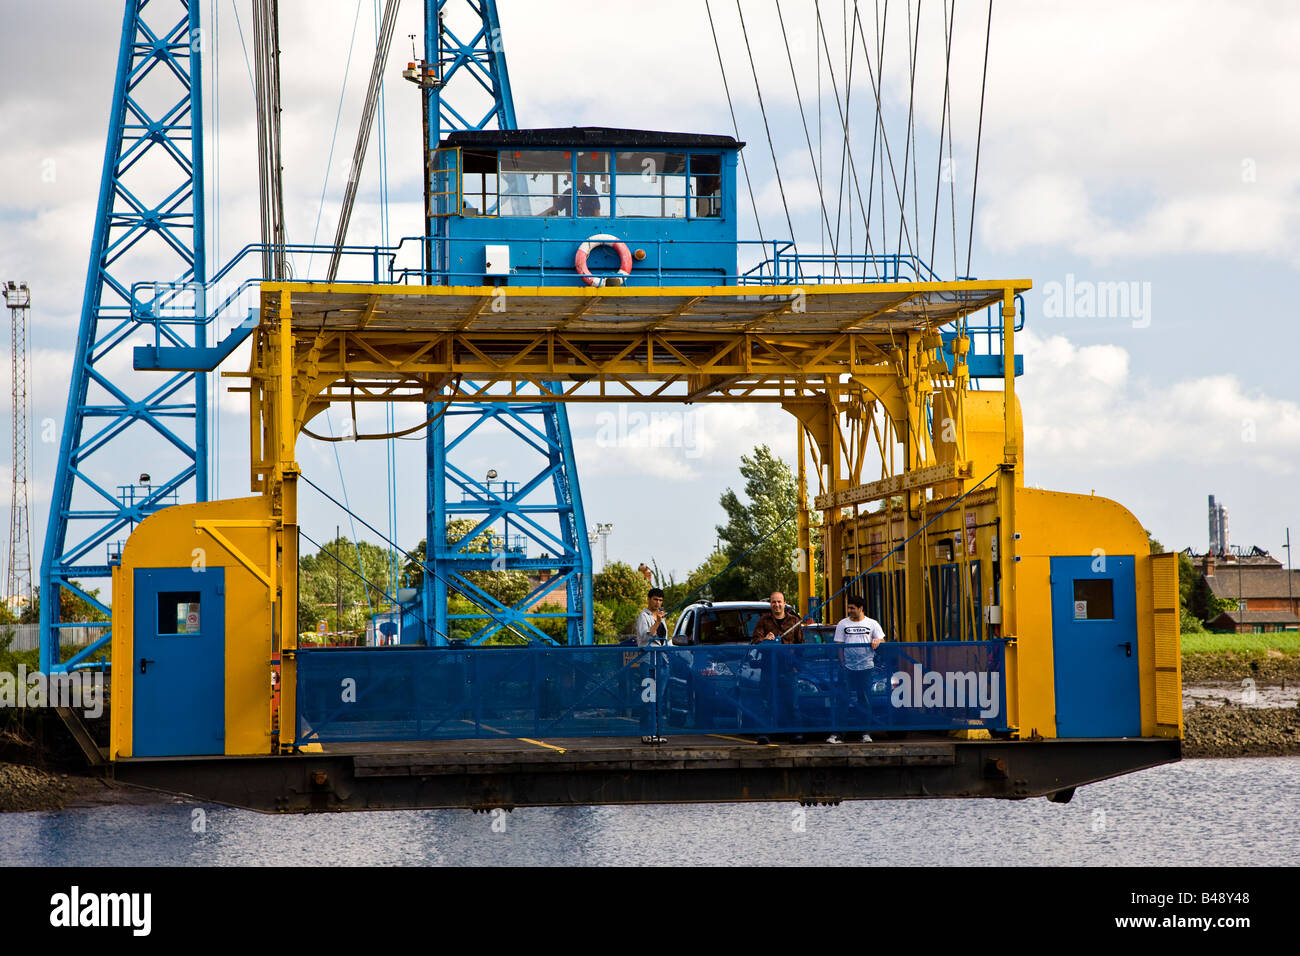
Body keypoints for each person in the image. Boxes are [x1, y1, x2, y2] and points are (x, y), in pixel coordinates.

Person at [827, 595, 884, 744]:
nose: (849, 610)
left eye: (852, 608)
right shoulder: (842, 624)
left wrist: (877, 640)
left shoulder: (872, 623)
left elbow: (882, 639)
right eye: (848, 607)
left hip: (866, 667)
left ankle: (865, 733)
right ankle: (838, 734)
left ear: (861, 608)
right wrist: (842, 662)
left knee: (864, 699)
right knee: (842, 700)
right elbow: (839, 644)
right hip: (847, 668)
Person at [635, 587, 669, 744]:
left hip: (661, 660)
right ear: (649, 599)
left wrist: (660, 621)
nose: (658, 603)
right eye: (655, 599)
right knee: (647, 697)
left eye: (661, 600)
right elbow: (645, 636)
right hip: (648, 661)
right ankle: (646, 732)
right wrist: (657, 622)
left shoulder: (662, 618)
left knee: (659, 699)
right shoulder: (644, 616)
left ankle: (656, 732)